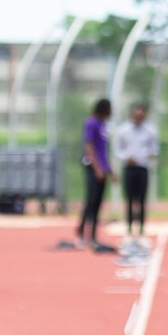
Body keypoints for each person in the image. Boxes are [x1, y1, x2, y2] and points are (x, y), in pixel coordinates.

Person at [116, 103, 158, 242]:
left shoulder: (150, 130)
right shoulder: (123, 130)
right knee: (129, 199)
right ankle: (128, 227)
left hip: (142, 168)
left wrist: (149, 155)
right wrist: (126, 158)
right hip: (129, 168)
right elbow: (118, 150)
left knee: (141, 199)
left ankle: (141, 228)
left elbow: (155, 149)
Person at [76, 99, 113, 250]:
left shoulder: (103, 124)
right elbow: (89, 146)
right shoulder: (91, 122)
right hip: (93, 168)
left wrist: (109, 169)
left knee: (97, 202)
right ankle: (83, 233)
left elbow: (102, 151)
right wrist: (97, 168)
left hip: (102, 169)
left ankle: (91, 235)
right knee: (91, 201)